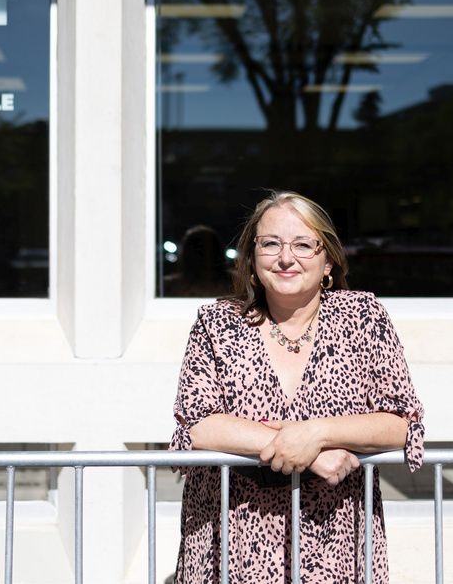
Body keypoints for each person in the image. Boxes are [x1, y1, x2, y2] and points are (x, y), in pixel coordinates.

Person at [169, 190, 424, 583]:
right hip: (231, 539)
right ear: (253, 259)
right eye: (271, 244)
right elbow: (199, 425)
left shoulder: (363, 318)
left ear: (328, 261)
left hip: (332, 540)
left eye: (303, 244)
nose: (286, 258)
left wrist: (314, 434)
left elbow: (399, 422)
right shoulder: (217, 323)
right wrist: (311, 454)